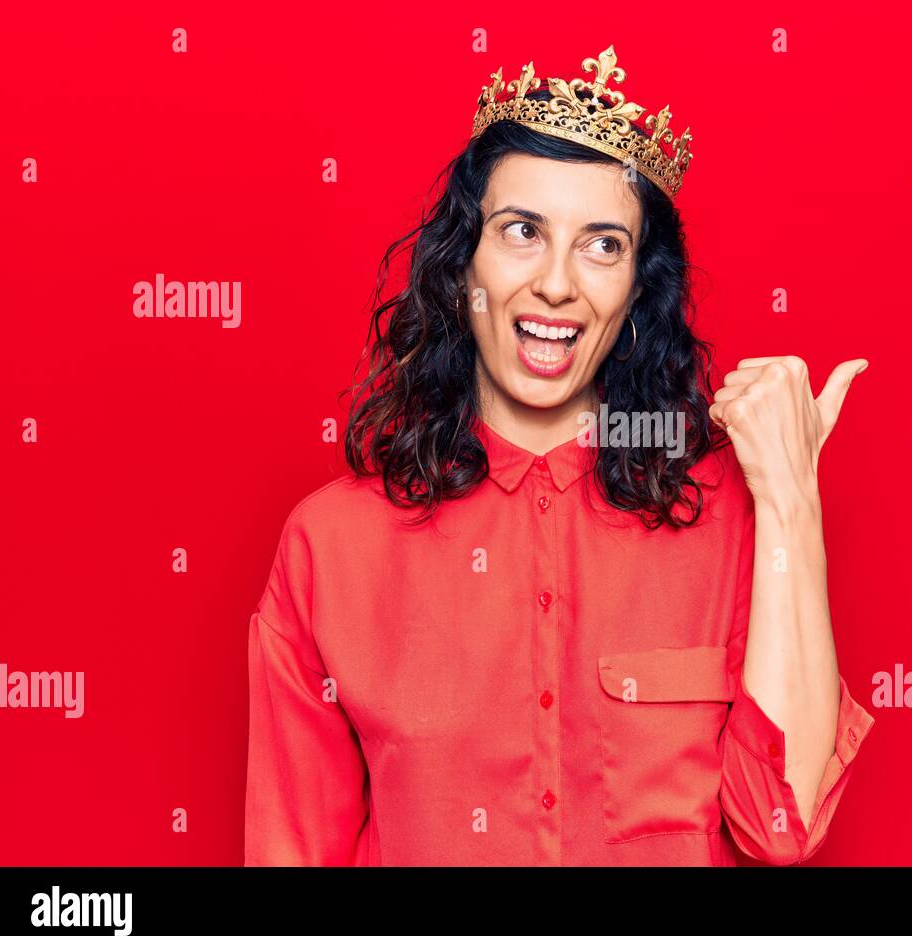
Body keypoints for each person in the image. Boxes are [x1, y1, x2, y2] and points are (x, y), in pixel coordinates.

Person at [244, 44, 875, 866]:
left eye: (602, 245)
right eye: (522, 232)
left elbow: (781, 832)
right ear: (462, 262)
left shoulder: (729, 515)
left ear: (636, 290)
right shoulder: (329, 548)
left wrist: (792, 498)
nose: (555, 283)